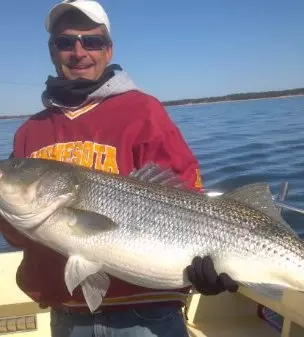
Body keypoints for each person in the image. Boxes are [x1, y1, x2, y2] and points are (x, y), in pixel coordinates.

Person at [0, 1, 238, 336]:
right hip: (67, 316)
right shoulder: (29, 131)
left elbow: (187, 199)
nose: (79, 52)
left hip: (146, 316)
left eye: (92, 42)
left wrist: (210, 264)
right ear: (52, 51)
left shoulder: (144, 111)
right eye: (66, 42)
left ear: (108, 50)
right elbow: (17, 232)